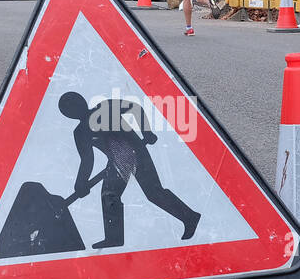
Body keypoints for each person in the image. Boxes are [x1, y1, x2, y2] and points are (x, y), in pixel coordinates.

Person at [58, 91, 200, 249]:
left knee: (153, 192)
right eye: (69, 108)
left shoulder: (104, 108)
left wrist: (146, 132)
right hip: (117, 161)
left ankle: (190, 217)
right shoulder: (80, 132)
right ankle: (114, 237)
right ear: (68, 115)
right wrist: (81, 182)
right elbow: (87, 159)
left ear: (82, 101)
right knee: (110, 195)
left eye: (74, 104)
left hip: (136, 152)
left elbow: (135, 108)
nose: (74, 109)